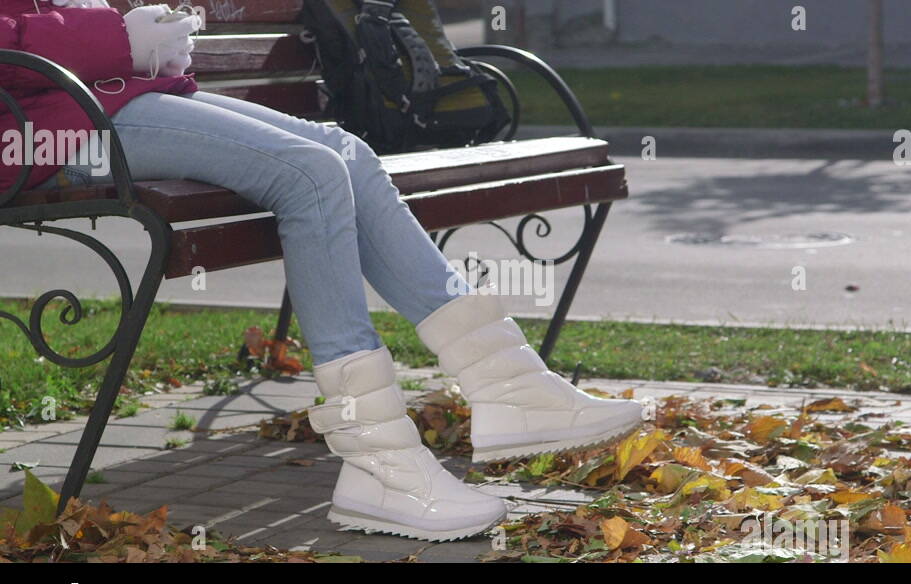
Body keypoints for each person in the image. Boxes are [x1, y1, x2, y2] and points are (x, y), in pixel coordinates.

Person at [0, 0, 641, 541]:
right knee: (310, 175)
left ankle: (506, 382)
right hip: (40, 128)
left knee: (346, 153)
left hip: (99, 99)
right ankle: (377, 461)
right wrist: (117, 37)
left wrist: (147, 37)